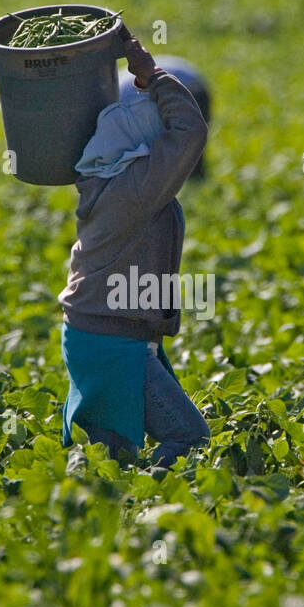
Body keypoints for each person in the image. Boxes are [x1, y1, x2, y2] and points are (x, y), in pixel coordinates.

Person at [58, 35, 210, 469]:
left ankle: (115, 511)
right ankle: (146, 518)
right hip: (110, 339)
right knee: (187, 438)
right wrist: (151, 74)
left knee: (112, 459)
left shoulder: (107, 177)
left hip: (105, 333)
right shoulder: (136, 188)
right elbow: (190, 131)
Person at [118, 56, 212, 178]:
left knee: (186, 158)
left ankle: (197, 183)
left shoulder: (117, 112)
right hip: (187, 76)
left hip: (186, 87)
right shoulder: (114, 96)